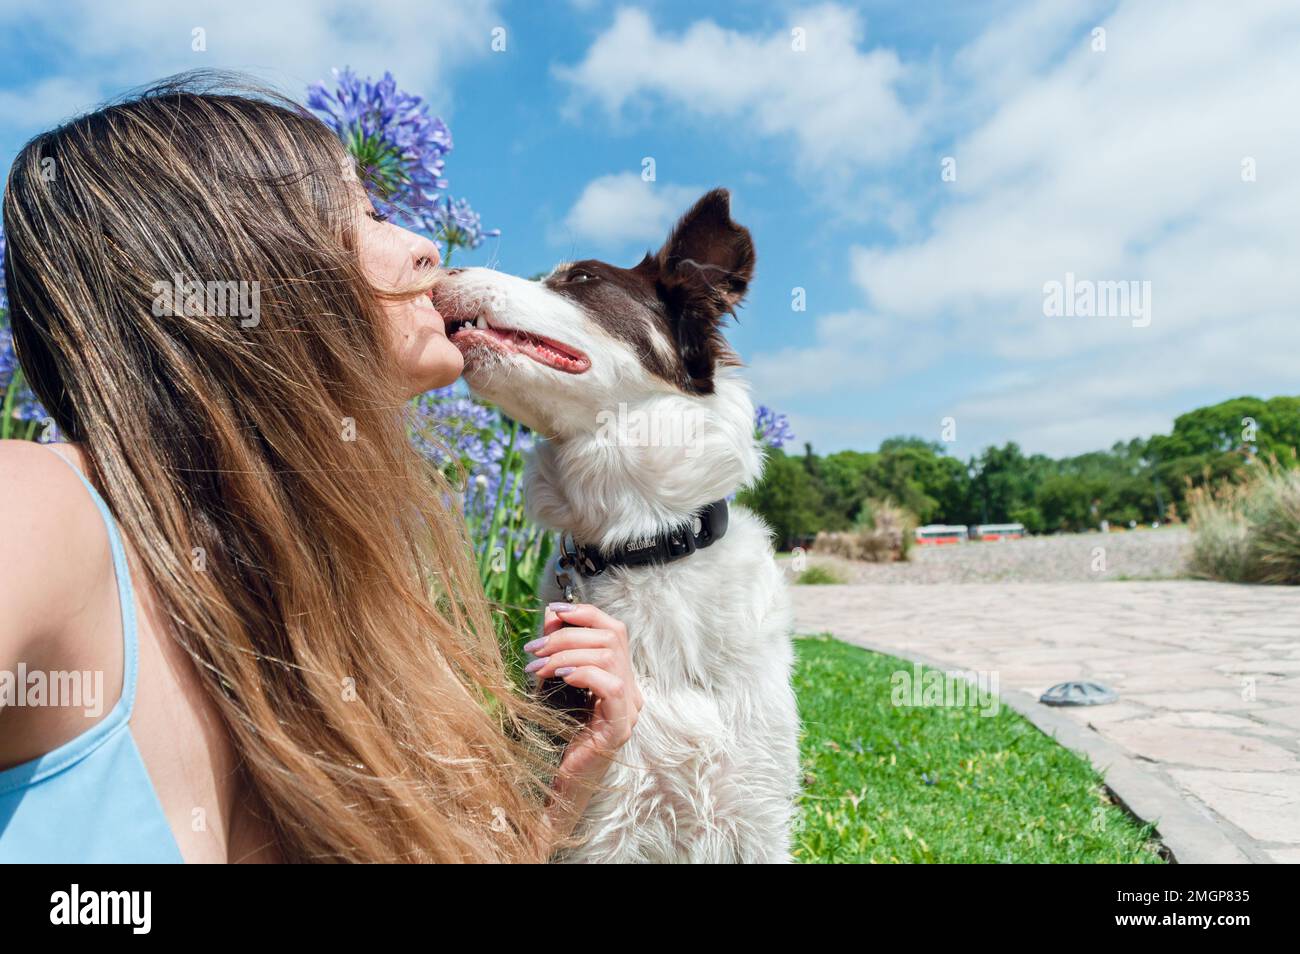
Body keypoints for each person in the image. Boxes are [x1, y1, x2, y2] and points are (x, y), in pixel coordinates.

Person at [0, 75, 641, 863]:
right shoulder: (37, 506)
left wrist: (566, 788)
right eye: (364, 211)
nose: (426, 247)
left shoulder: (328, 602)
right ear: (229, 251)